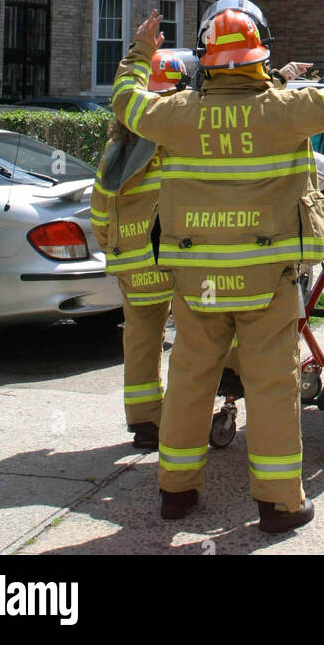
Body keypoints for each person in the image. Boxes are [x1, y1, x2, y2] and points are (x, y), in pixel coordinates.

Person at [111, 0, 324, 530]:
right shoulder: (290, 109)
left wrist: (141, 50)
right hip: (269, 281)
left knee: (190, 380)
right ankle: (280, 505)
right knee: (271, 387)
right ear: (263, 54)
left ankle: (176, 492)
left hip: (197, 285)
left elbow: (126, 101)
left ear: (203, 59)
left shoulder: (172, 115)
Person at [90, 47, 197, 448]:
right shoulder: (177, 140)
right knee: (197, 335)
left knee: (140, 340)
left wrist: (113, 251)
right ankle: (192, 416)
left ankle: (145, 424)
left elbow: (99, 207)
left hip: (134, 263)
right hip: (177, 258)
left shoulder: (117, 150)